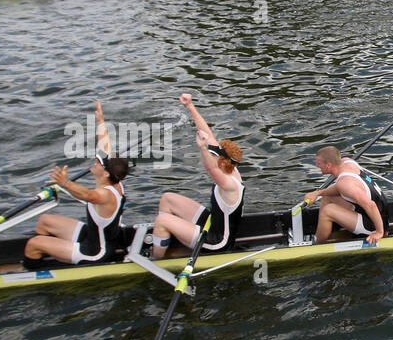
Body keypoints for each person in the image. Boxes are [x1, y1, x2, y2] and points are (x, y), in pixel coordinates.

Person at [23, 101, 130, 269]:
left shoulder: (105, 195)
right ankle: (47, 254)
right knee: (45, 221)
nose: (95, 163)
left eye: (98, 164)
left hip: (95, 252)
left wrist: (64, 183)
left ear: (106, 173)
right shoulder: (115, 178)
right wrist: (101, 120)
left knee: (33, 244)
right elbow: (105, 145)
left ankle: (29, 271)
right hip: (96, 235)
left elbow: (87, 195)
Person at [151, 93, 244, 258]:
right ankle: (167, 238)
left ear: (223, 163)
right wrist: (190, 106)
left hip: (217, 241)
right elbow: (207, 133)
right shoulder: (228, 164)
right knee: (167, 199)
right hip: (212, 221)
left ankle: (156, 259)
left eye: (215, 156)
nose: (212, 154)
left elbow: (211, 170)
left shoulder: (229, 183)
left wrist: (202, 148)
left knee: (161, 221)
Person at [302, 146, 386, 244]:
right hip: (377, 211)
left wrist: (379, 232)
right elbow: (338, 188)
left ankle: (316, 243)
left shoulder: (345, 183)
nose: (317, 165)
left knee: (327, 211)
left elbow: (371, 205)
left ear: (329, 165)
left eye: (319, 163)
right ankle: (326, 228)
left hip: (373, 224)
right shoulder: (347, 162)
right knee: (328, 196)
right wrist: (317, 193)